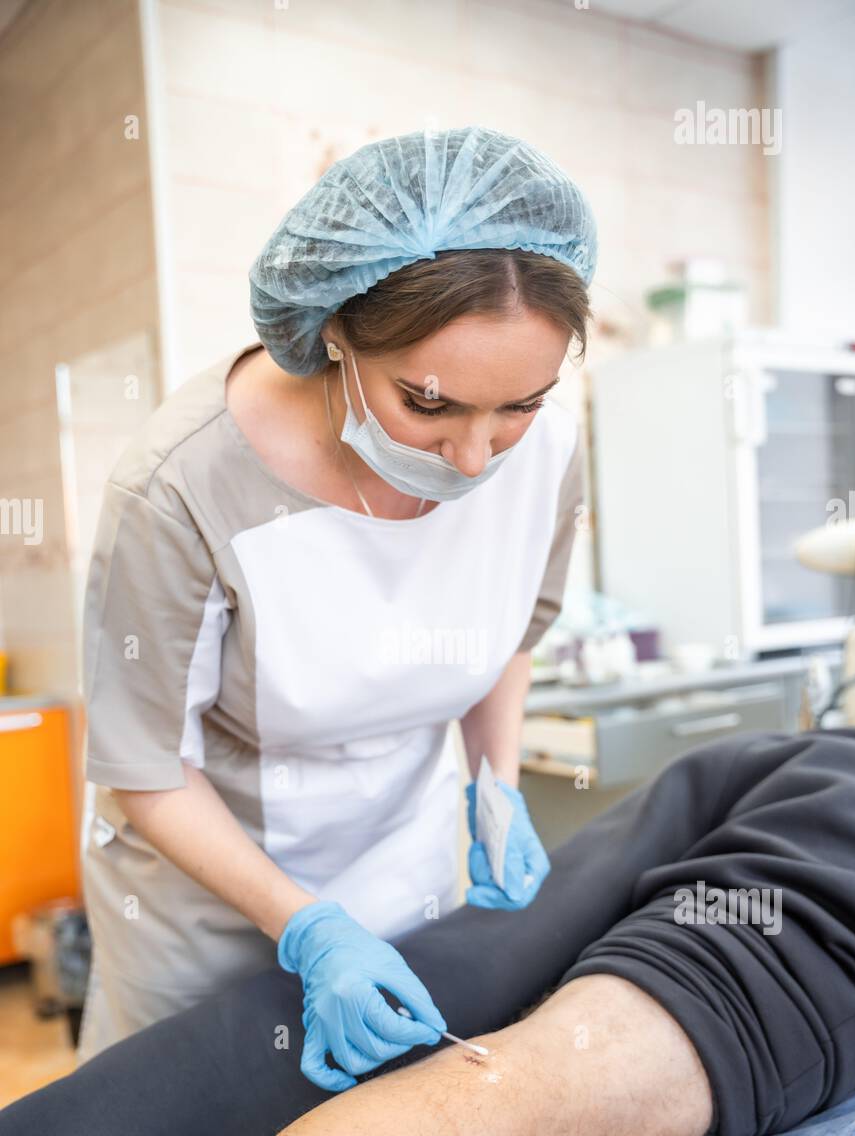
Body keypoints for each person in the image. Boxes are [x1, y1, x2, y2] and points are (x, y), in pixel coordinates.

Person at [77, 125, 597, 1085]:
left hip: (402, 859)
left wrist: (496, 783)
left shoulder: (552, 452)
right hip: (208, 909)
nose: (478, 457)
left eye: (519, 405)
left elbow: (508, 634)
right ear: (332, 332)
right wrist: (309, 931)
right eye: (428, 406)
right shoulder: (182, 484)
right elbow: (143, 767)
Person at [2, 728, 855, 1136]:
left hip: (780, 790)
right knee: (502, 1076)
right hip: (788, 790)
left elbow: (522, 1105)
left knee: (521, 1088)